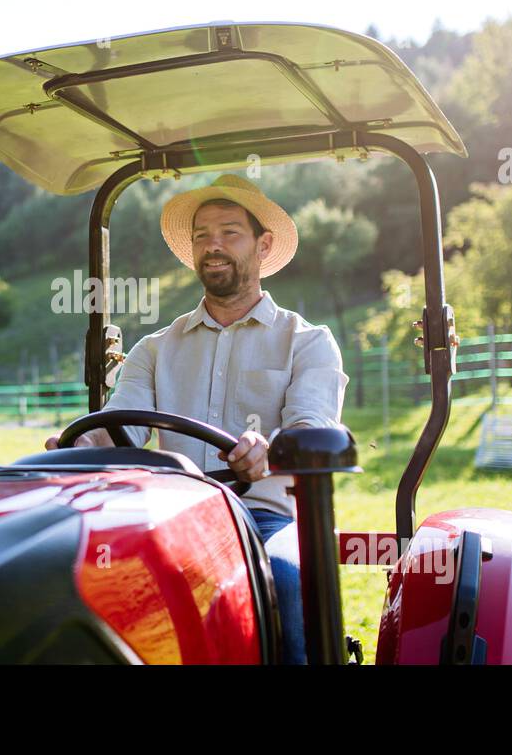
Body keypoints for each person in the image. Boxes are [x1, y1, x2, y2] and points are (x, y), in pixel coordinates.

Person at [44, 172, 348, 664]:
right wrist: (79, 447)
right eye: (202, 235)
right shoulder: (155, 349)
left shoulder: (307, 342)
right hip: (174, 514)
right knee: (87, 570)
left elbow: (309, 427)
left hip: (266, 517)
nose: (213, 245)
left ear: (263, 245)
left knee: (288, 577)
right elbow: (120, 424)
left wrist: (269, 453)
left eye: (229, 232)